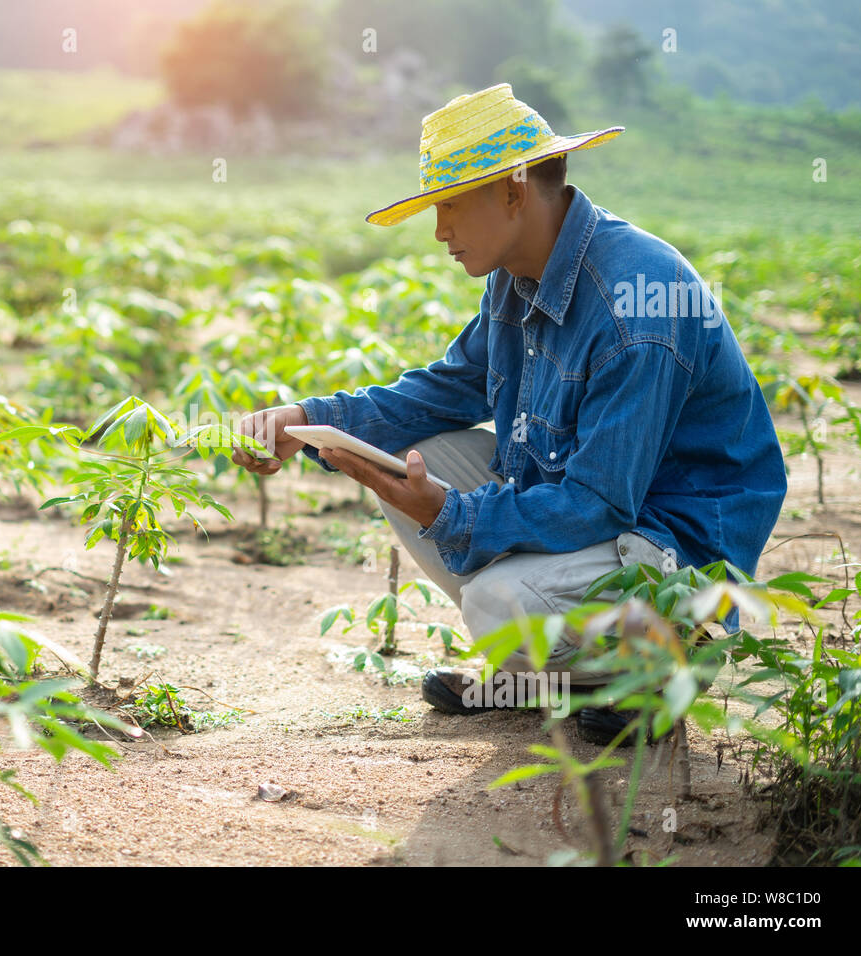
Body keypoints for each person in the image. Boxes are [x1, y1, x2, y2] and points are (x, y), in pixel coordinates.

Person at [230, 84, 787, 746]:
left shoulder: (639, 302)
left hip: (676, 555)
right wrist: (306, 419)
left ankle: (657, 665)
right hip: (605, 528)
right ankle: (540, 677)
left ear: (514, 195)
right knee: (418, 454)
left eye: (451, 207)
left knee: (495, 598)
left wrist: (451, 515)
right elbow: (445, 389)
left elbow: (599, 501)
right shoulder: (518, 275)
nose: (440, 231)